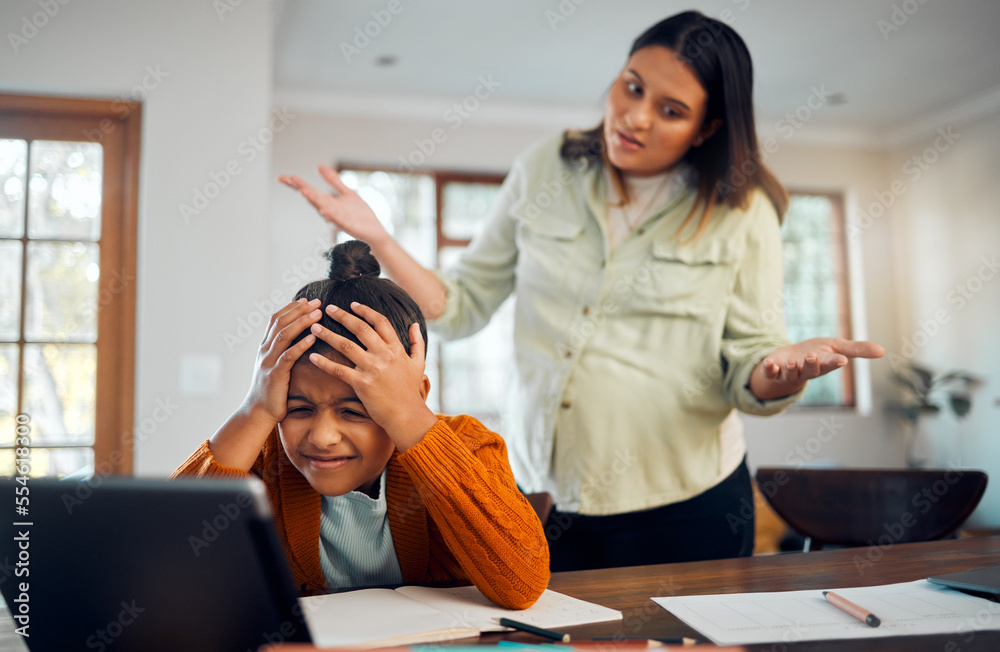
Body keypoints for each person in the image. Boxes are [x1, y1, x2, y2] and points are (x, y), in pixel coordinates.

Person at [278, 11, 884, 571]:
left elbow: (749, 362)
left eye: (671, 110)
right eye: (632, 85)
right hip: (548, 500)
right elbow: (457, 308)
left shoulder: (741, 210)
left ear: (708, 128)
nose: (635, 115)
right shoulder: (547, 167)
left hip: (685, 503)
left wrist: (780, 371)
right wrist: (379, 238)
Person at [171, 240, 549, 608]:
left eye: (354, 411)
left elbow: (522, 584)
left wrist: (406, 415)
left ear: (414, 396)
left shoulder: (469, 445)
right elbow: (164, 562)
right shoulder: (259, 461)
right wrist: (254, 409)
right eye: (299, 409)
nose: (322, 437)